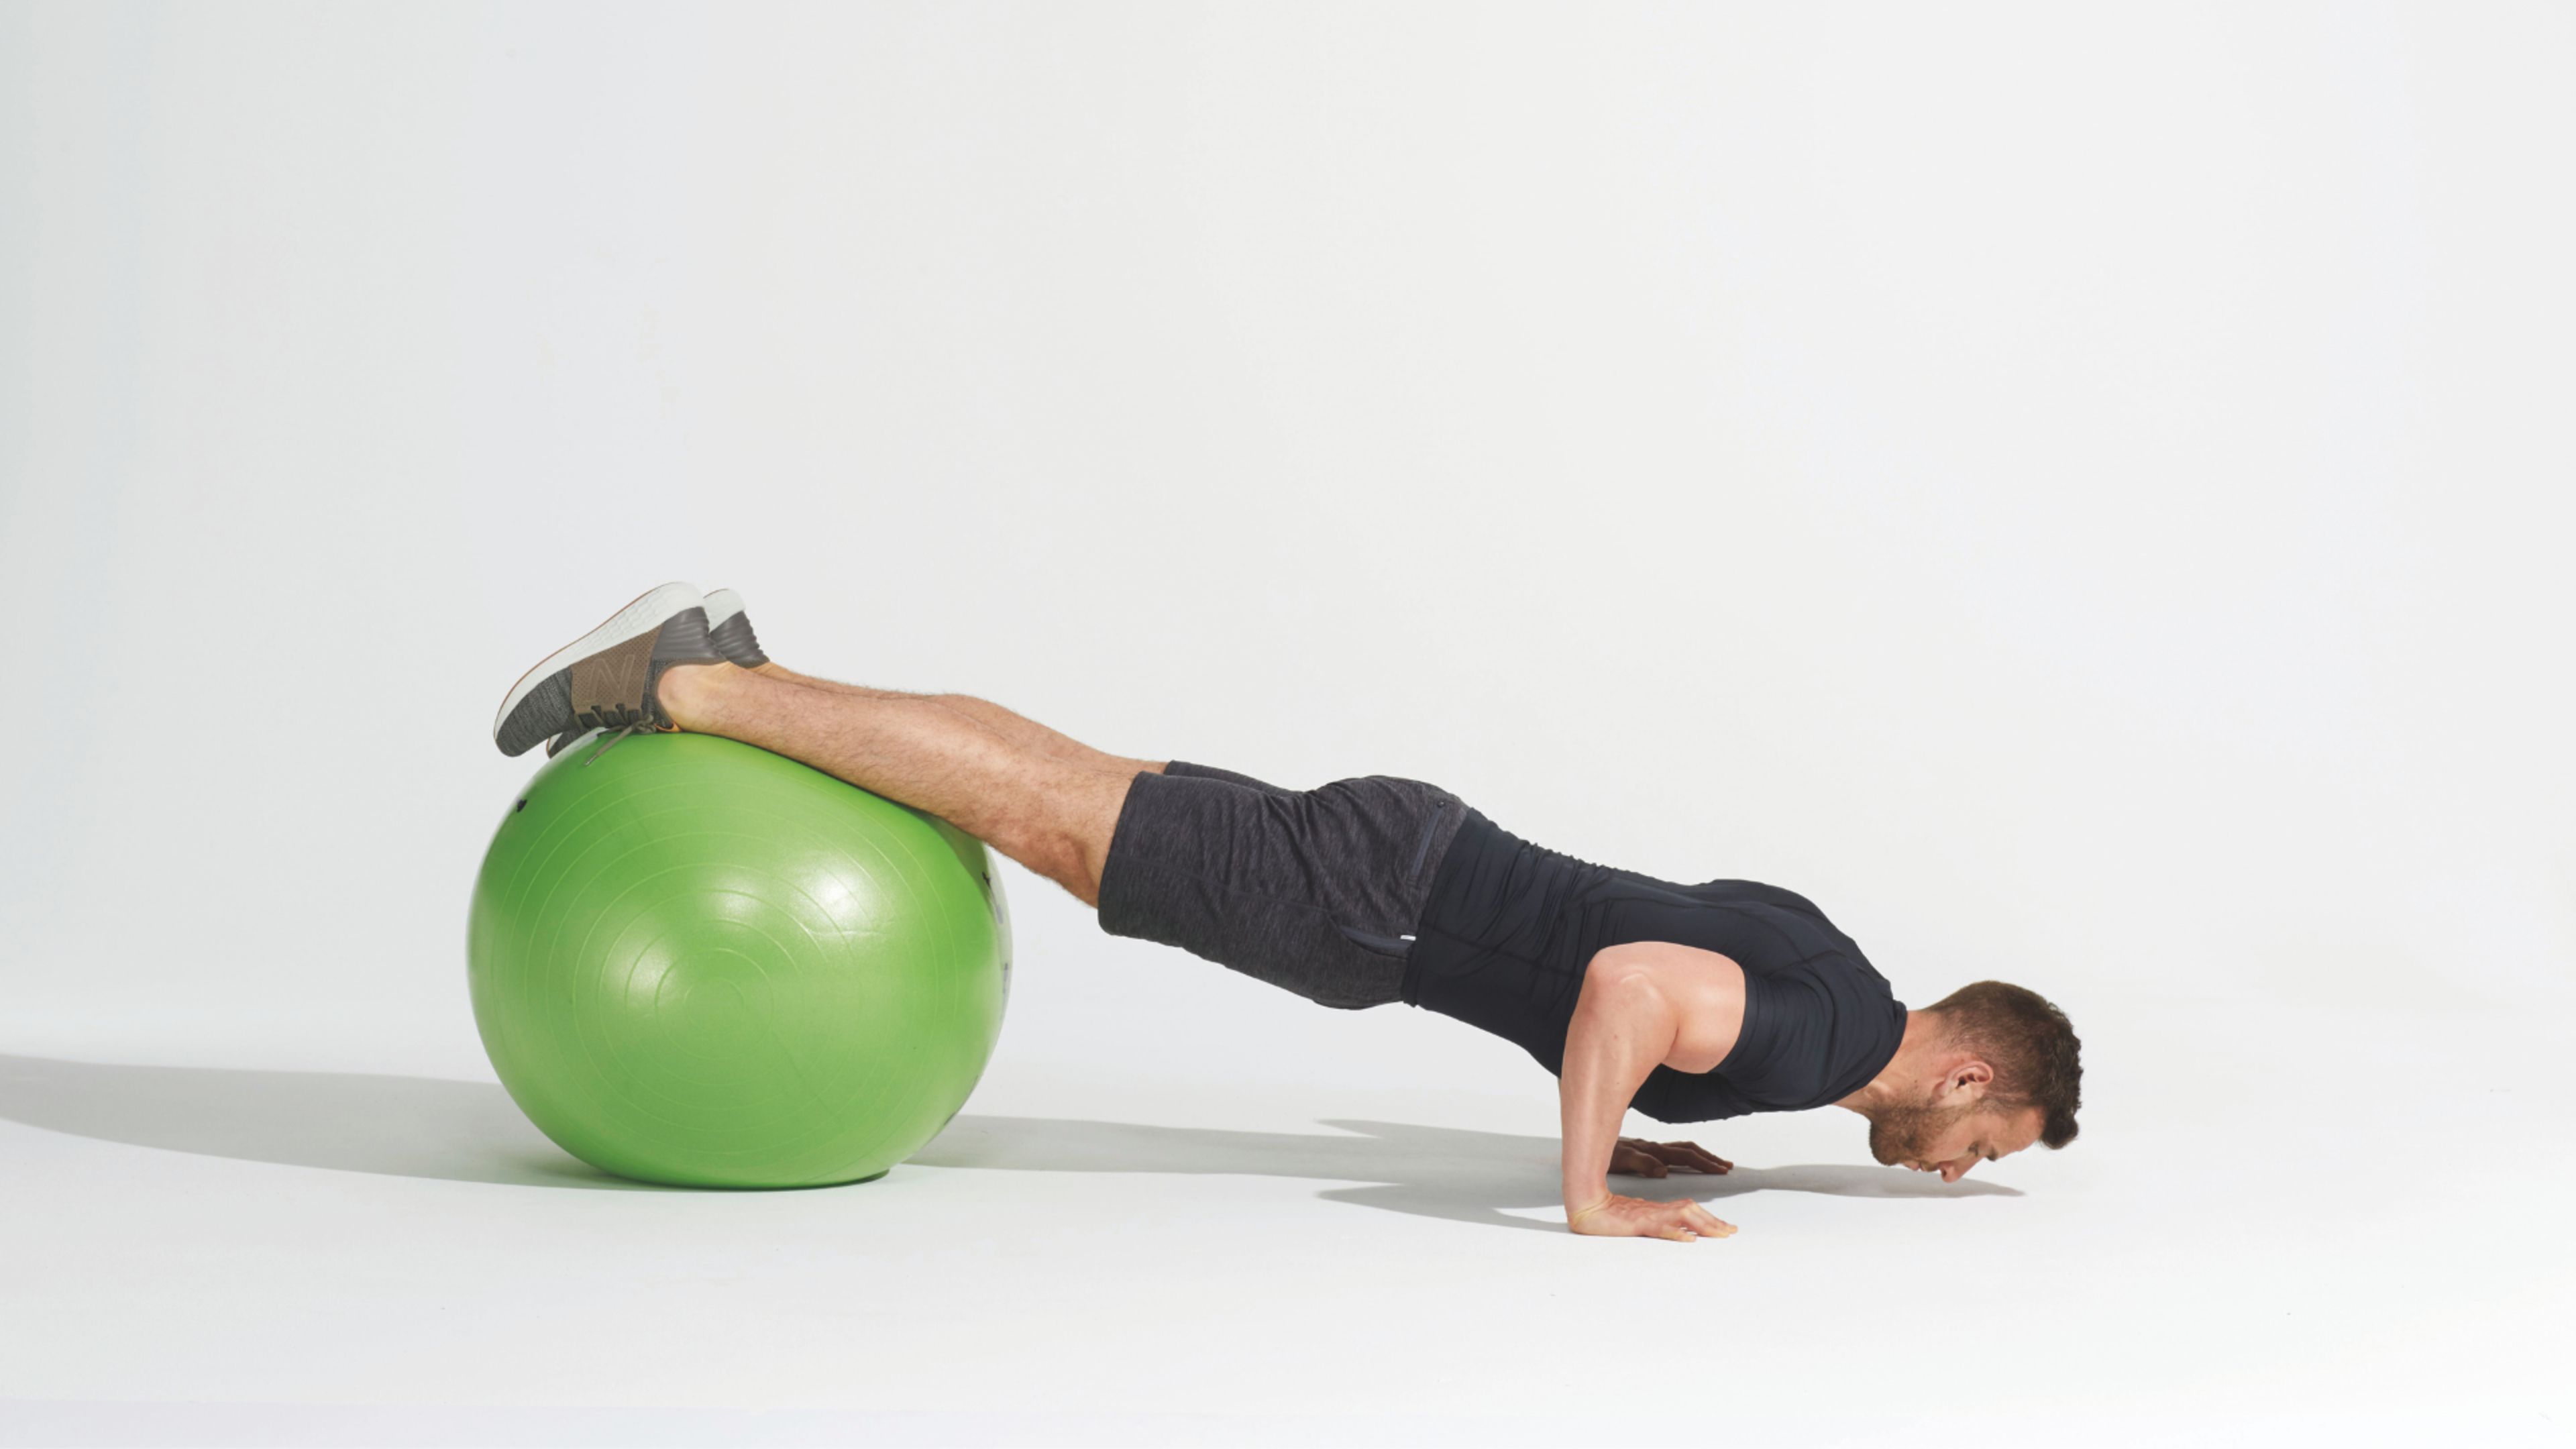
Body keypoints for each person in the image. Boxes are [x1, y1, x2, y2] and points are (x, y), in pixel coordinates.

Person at [493, 583, 2084, 1242]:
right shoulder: (1818, 1046)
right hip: (1384, 908)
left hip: (1415, 851)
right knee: (1050, 815)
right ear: (1967, 1075)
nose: (1959, 1168)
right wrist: (1589, 1193)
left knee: (1065, 789)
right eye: (1986, 1144)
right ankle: (689, 686)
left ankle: (749, 667)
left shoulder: (1833, 965)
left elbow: (1659, 936)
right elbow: (1625, 982)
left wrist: (1640, 1116)